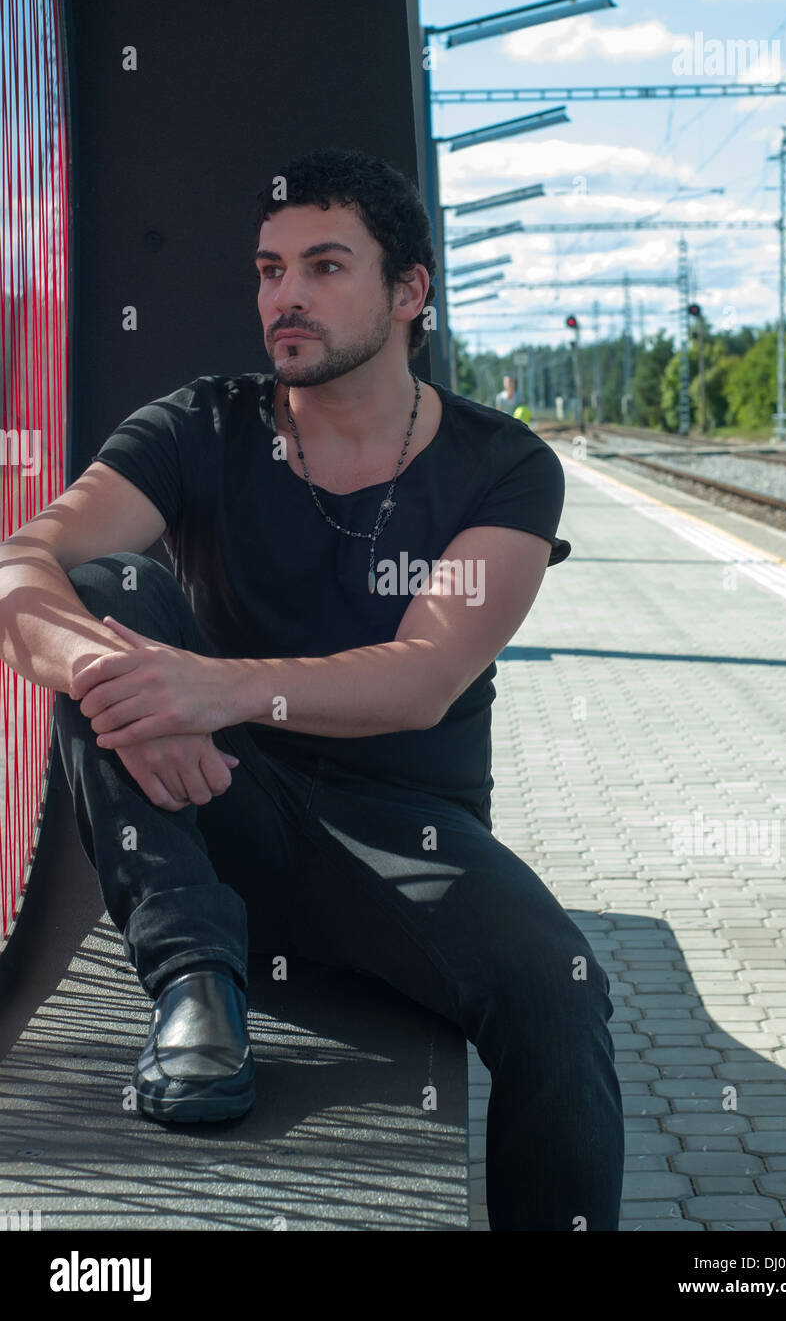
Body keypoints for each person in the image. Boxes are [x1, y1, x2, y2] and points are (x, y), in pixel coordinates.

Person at [0, 147, 623, 1232]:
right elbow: (23, 562)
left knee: (560, 989)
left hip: (407, 839)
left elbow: (423, 677)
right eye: (267, 268)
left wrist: (210, 687)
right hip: (212, 806)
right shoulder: (199, 425)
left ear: (409, 291)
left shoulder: (501, 466)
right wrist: (111, 677)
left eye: (326, 265)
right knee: (104, 587)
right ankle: (194, 986)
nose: (284, 295)